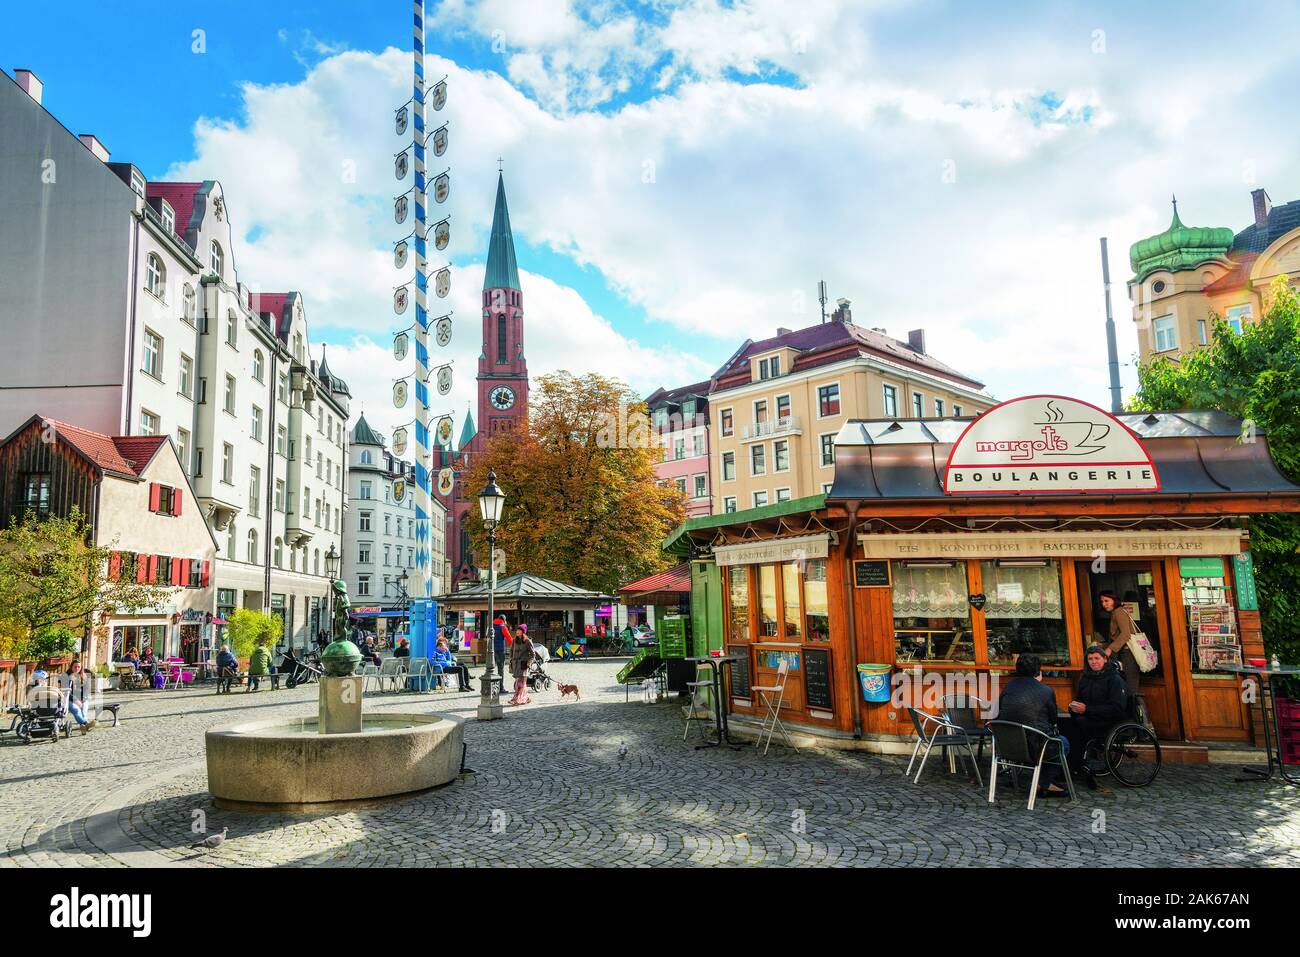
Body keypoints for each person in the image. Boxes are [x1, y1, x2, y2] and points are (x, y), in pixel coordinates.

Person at [997, 653, 1069, 796]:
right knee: (1063, 743)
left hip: (1007, 746)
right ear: (1038, 671)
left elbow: (1001, 709)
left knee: (1050, 741)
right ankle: (1043, 784)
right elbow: (1053, 720)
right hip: (1033, 747)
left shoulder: (1009, 687)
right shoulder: (1046, 691)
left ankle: (1044, 783)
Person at [1060, 645, 1130, 789]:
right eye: (1090, 659)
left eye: (1097, 658)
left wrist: (1087, 709)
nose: (1093, 662)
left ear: (1105, 659)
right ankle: (1069, 764)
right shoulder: (1086, 678)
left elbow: (1117, 708)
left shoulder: (1114, 679)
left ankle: (1074, 765)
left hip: (1110, 720)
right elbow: (1080, 699)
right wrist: (1074, 707)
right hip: (1090, 716)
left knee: (1079, 726)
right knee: (1063, 723)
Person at [1099, 590, 1141, 698]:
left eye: (1107, 600)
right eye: (1102, 601)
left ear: (1114, 600)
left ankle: (1134, 713)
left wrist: (1110, 649)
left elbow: (1125, 634)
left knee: (1130, 688)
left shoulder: (1119, 612)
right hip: (1124, 653)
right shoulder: (1116, 612)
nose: (1104, 604)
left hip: (1128, 653)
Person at [60, 660, 97, 734]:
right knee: (76, 709)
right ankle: (86, 724)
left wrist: (83, 699)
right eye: (75, 667)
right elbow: (65, 691)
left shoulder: (84, 676)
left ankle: (83, 726)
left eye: (79, 667)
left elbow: (86, 690)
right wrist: (76, 700)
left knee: (84, 709)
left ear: (81, 667)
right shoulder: (65, 676)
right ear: (71, 667)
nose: (77, 668)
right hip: (68, 699)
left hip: (82, 699)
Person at [507, 624, 534, 705]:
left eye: (519, 630)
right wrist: (511, 659)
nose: (517, 631)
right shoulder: (514, 640)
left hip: (523, 664)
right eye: (517, 630)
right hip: (515, 664)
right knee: (517, 682)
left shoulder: (527, 641)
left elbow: (533, 654)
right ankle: (525, 698)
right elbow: (511, 651)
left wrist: (529, 662)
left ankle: (516, 699)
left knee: (520, 683)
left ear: (523, 632)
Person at [492, 615, 512, 694]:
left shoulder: (491, 626)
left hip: (491, 650)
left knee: (491, 669)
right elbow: (509, 638)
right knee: (500, 669)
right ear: (504, 620)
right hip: (500, 650)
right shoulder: (502, 626)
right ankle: (500, 688)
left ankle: (492, 687)